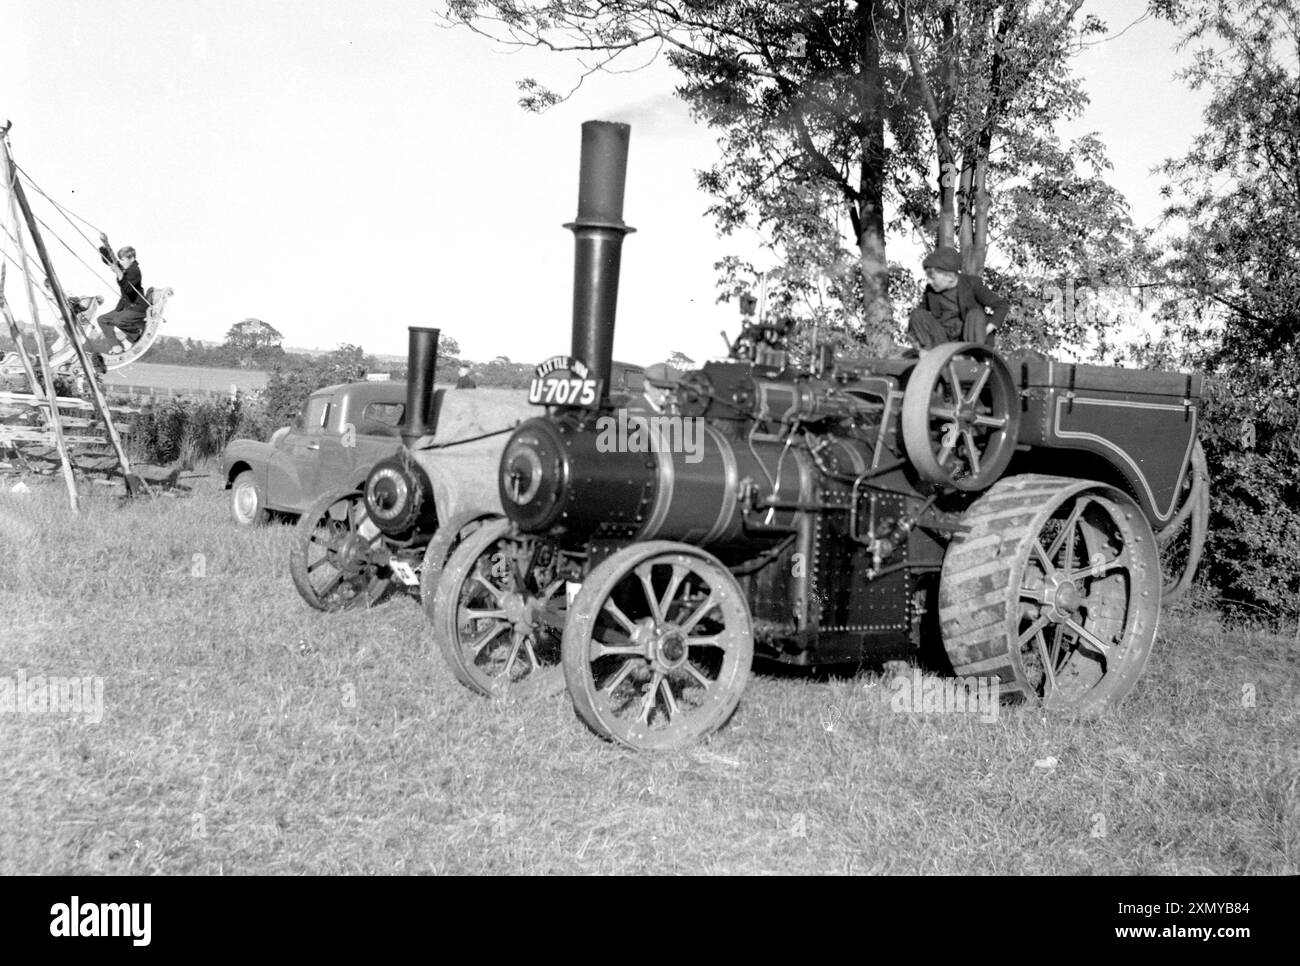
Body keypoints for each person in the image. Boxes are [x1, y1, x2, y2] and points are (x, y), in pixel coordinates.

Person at [908, 245, 1009, 349]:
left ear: (950, 277)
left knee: (975, 314)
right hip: (943, 340)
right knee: (917, 314)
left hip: (969, 339)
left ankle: (974, 353)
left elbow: (1002, 306)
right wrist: (915, 338)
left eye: (932, 278)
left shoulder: (972, 284)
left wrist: (986, 330)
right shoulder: (931, 291)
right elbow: (918, 319)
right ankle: (929, 353)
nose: (929, 281)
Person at [87, 234, 148, 373]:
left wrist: (119, 274)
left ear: (132, 258)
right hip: (127, 307)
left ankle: (136, 338)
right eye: (122, 260)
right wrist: (105, 244)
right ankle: (116, 347)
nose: (122, 262)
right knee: (103, 320)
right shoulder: (127, 267)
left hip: (137, 308)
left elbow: (129, 289)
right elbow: (112, 261)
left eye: (124, 260)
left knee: (119, 321)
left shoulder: (135, 271)